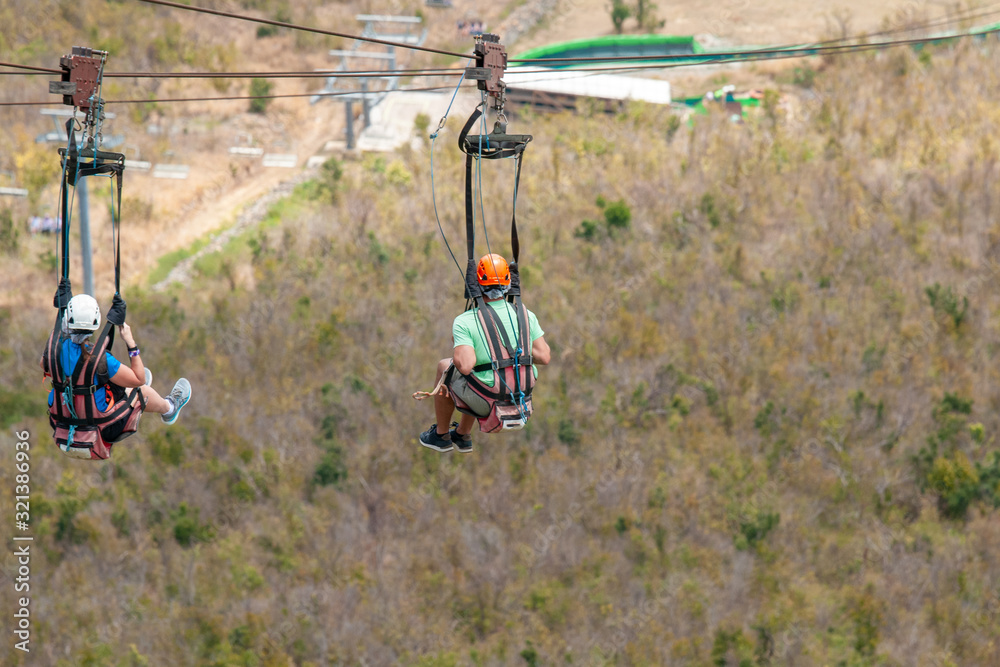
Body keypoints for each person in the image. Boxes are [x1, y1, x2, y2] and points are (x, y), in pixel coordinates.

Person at [419, 254, 550, 453]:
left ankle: (441, 435)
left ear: (477, 284)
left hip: (489, 401)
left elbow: (465, 366)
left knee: (445, 366)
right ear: (508, 283)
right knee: (483, 370)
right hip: (522, 398)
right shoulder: (525, 314)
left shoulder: (466, 321)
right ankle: (462, 434)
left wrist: (463, 346)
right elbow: (544, 356)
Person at [41, 294, 191, 457]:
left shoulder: (55, 350)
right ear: (96, 323)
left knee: (101, 381)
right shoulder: (100, 359)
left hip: (63, 420)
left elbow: (45, 366)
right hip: (103, 426)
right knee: (140, 389)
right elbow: (139, 378)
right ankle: (169, 408)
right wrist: (130, 342)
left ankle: (127, 386)